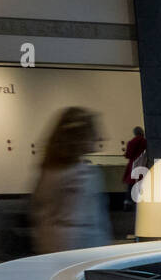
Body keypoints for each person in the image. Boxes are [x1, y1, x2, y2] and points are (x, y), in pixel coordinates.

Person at [29, 107, 112, 255]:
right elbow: (88, 218)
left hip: (53, 244)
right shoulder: (81, 173)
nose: (100, 136)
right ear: (80, 136)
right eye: (93, 132)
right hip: (79, 248)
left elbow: (41, 211)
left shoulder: (50, 169)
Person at [123, 125, 148, 197]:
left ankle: (129, 202)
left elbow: (128, 155)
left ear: (135, 133)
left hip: (134, 165)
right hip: (143, 165)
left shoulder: (131, 142)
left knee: (131, 184)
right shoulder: (146, 142)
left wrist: (125, 155)